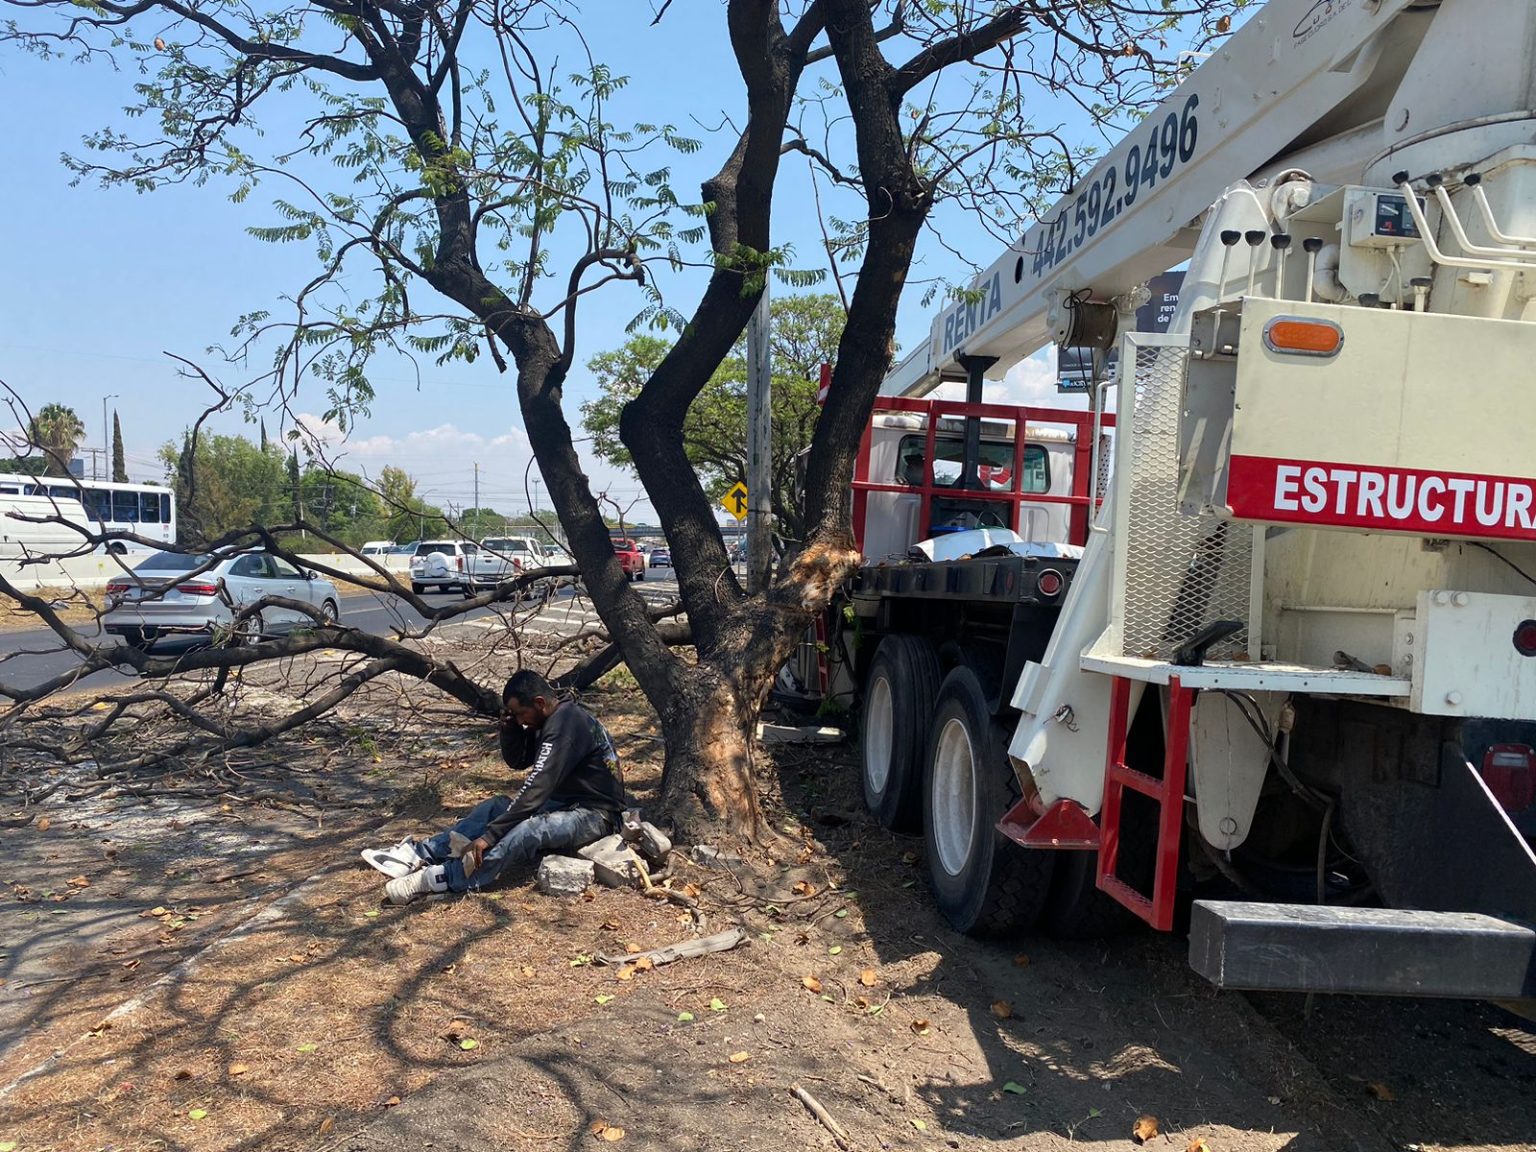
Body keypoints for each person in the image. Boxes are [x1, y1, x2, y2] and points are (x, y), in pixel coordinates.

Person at [361, 669, 625, 905]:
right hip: (565, 803)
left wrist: (490, 836)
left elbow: (536, 788)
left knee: (529, 829)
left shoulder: (566, 725)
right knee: (496, 807)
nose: (521, 721)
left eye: (521, 714)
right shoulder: (549, 718)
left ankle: (446, 877)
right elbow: (519, 761)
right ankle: (419, 853)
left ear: (539, 703)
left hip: (596, 815)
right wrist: (510, 731)